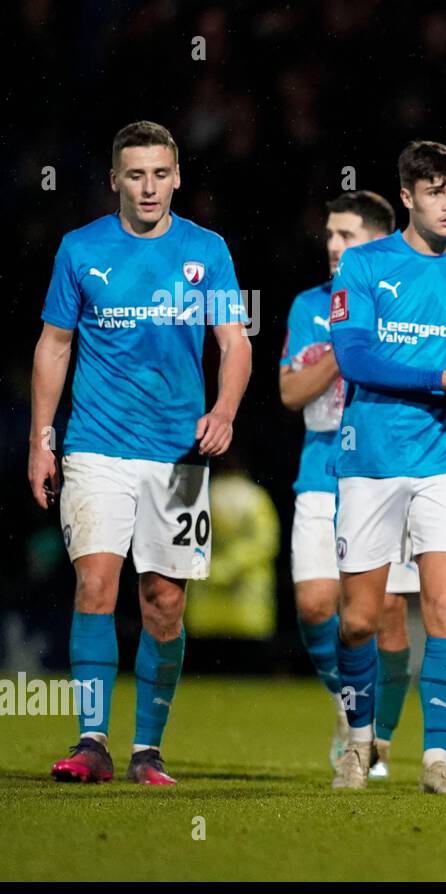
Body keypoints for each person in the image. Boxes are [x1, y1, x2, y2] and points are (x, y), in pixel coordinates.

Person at [31, 120, 252, 786]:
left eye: (160, 173)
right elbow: (54, 345)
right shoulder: (80, 250)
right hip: (97, 445)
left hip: (178, 456)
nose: (149, 186)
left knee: (163, 602)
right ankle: (91, 741)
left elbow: (235, 343)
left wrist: (224, 410)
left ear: (177, 177)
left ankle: (147, 750)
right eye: (135, 174)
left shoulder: (207, 251)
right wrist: (44, 437)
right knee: (96, 584)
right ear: (114, 180)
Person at [328, 141, 446, 793]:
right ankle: (357, 742)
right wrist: (441, 377)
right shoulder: (364, 265)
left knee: (445, 603)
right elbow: (355, 359)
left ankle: (438, 759)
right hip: (371, 459)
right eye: (435, 191)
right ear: (406, 197)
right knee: (359, 617)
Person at [280, 190, 420, 778]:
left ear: (379, 244)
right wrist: (344, 348)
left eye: (347, 236)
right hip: (321, 472)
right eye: (331, 234)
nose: (334, 245)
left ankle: (377, 743)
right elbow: (290, 393)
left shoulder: (406, 301)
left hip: (387, 472)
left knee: (386, 612)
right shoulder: (308, 305)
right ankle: (349, 709)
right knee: (316, 603)